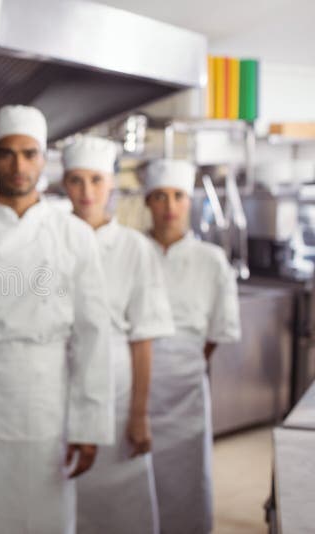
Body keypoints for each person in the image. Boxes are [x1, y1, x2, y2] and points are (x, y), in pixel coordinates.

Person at [0, 105, 113, 534]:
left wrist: (89, 425)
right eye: (7, 153)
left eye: (30, 153)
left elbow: (93, 334)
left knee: (46, 516)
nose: (19, 165)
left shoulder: (74, 235)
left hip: (48, 397)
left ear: (44, 159)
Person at [61, 136, 175, 534]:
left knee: (122, 505)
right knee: (63, 496)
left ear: (111, 184)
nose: (87, 192)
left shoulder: (134, 248)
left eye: (96, 180)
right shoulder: (52, 237)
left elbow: (142, 337)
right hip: (60, 383)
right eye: (76, 180)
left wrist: (140, 416)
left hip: (118, 388)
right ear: (64, 185)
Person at [143, 159, 241, 534]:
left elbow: (219, 329)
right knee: (134, 481)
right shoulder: (132, 250)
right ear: (148, 202)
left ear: (189, 202)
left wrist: (186, 362)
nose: (170, 206)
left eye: (178, 196)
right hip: (133, 385)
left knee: (185, 478)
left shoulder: (211, 261)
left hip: (186, 389)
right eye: (160, 196)